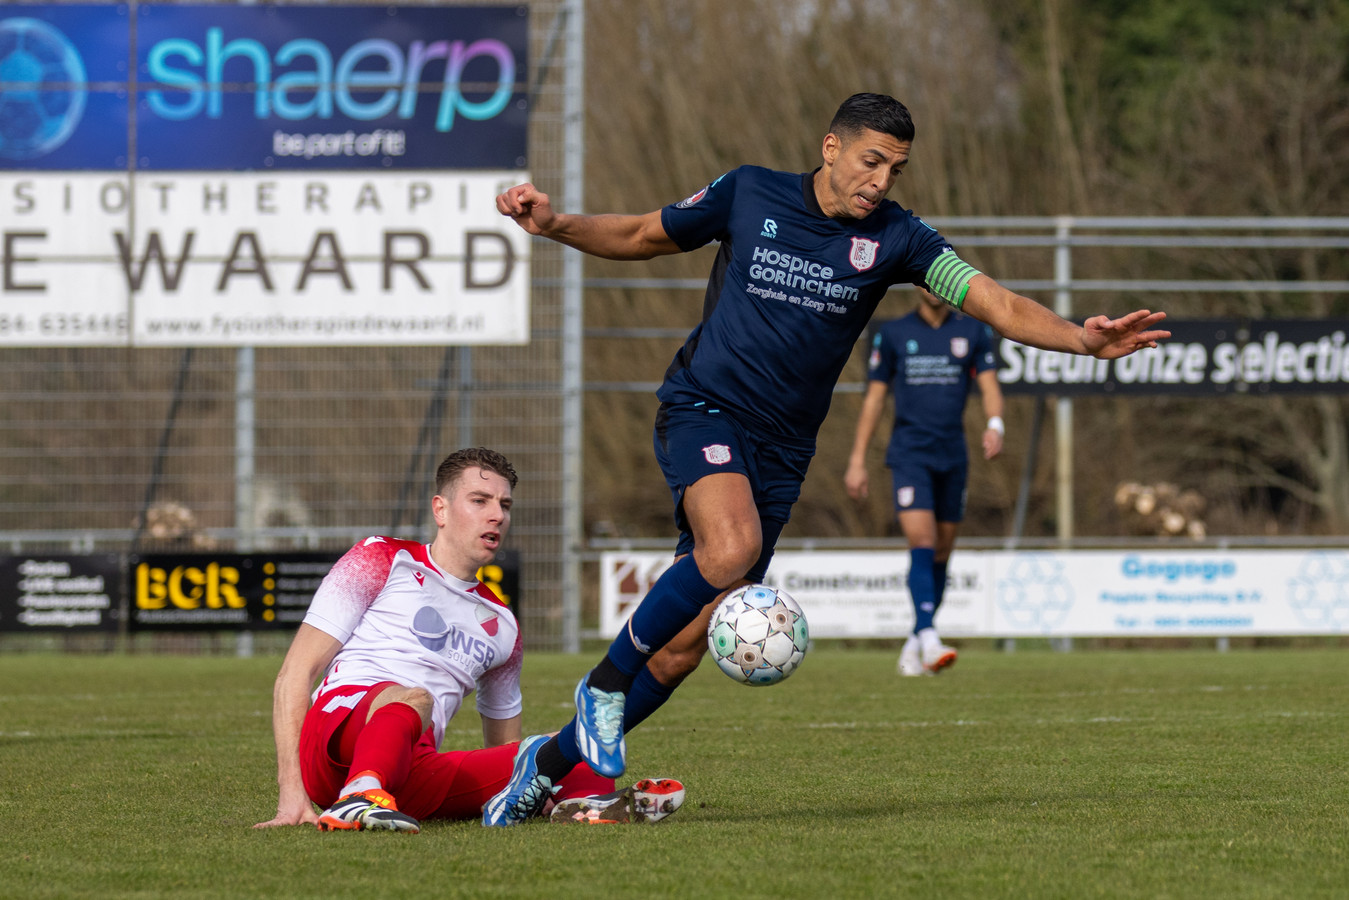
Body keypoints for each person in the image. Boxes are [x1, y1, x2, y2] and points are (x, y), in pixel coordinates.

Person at [482, 92, 1170, 826]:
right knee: (731, 546)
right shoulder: (749, 192)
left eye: (895, 169)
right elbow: (644, 234)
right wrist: (554, 224)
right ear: (831, 147)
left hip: (784, 449)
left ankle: (543, 767)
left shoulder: (898, 238)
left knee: (682, 649)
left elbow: (991, 300)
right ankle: (604, 685)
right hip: (705, 407)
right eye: (871, 160)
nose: (880, 180)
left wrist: (1080, 339)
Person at [254, 447, 684, 832]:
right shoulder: (381, 557)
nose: (496, 515)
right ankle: (358, 795)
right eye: (480, 501)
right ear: (440, 510)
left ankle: (586, 805)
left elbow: (510, 749)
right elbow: (295, 674)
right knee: (413, 699)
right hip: (335, 739)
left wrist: (543, 771)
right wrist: (292, 795)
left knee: (563, 747)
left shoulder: (504, 625)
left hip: (410, 772)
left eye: (504, 505)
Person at [844, 287, 1004, 676]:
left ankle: (916, 639)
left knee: (942, 551)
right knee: (923, 541)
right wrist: (857, 459)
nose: (932, 288)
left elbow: (989, 387)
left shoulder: (973, 332)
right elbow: (874, 399)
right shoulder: (893, 333)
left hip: (953, 455)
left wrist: (995, 425)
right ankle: (931, 637)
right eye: (925, 281)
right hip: (909, 455)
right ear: (916, 284)